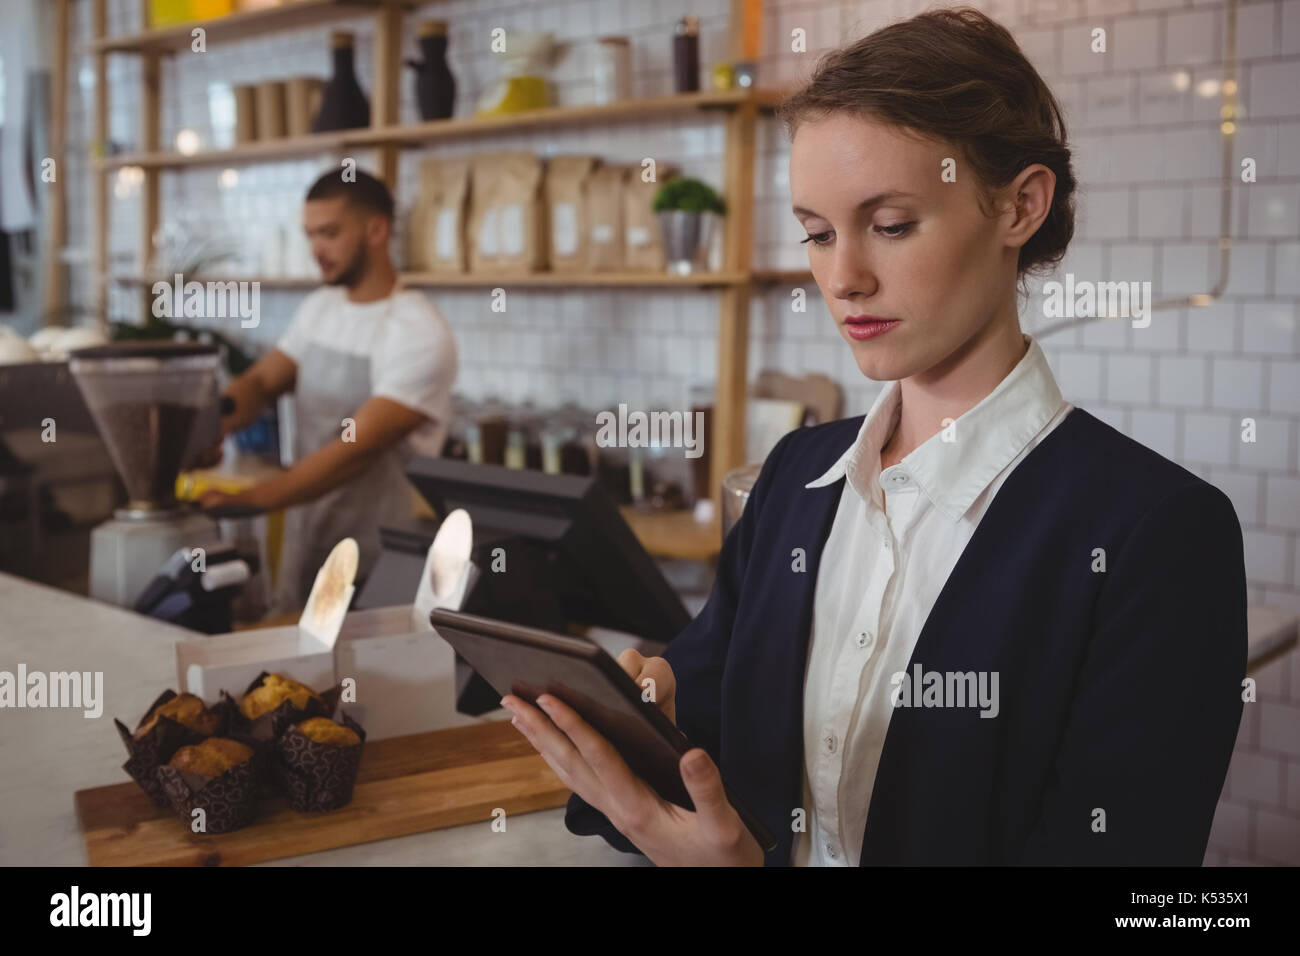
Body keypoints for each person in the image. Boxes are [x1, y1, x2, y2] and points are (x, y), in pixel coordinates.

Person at [500, 7, 1247, 866]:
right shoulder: (794, 477)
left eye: (890, 225)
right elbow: (707, 718)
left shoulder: (1157, 534)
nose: (843, 277)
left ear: (1020, 205)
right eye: (818, 234)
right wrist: (644, 727)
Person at [200, 168, 458, 612]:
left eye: (330, 233)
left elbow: (354, 450)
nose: (317, 250)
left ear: (376, 230)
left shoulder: (418, 331)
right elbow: (262, 382)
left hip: (379, 558)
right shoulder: (320, 308)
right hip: (310, 540)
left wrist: (251, 501)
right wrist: (210, 423)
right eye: (311, 235)